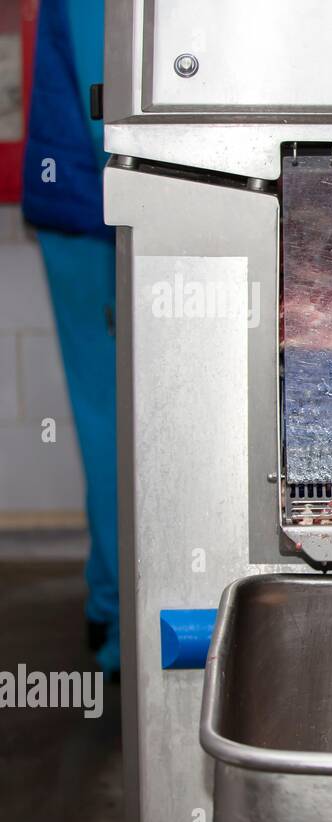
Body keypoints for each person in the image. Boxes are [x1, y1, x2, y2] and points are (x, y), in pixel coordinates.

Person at [20, 0, 118, 675]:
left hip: (101, 197)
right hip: (97, 211)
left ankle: (109, 600)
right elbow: (104, 107)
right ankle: (129, 630)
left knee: (110, 418)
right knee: (120, 423)